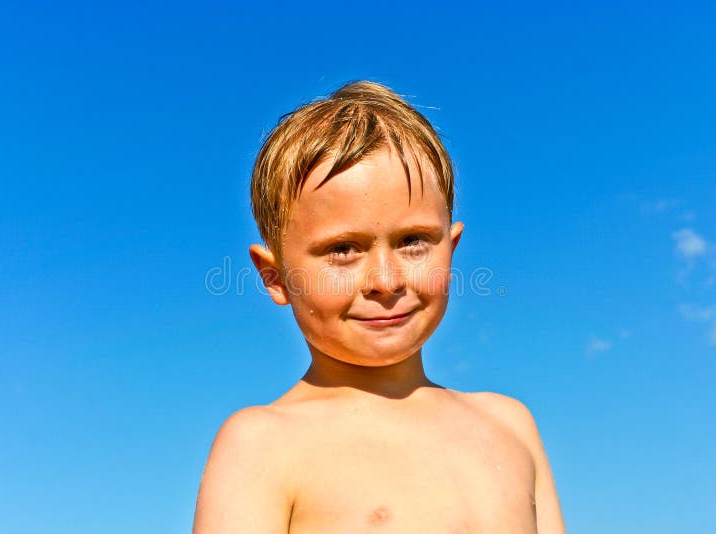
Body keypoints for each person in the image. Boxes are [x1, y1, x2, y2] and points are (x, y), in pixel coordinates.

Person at [193, 81, 566, 533]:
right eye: (343, 249)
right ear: (275, 277)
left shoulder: (511, 427)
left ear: (452, 249)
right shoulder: (262, 444)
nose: (386, 281)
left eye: (413, 242)